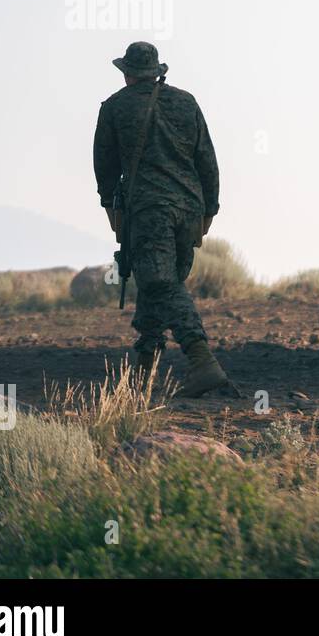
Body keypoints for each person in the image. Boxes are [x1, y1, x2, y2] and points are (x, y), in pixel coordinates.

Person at [93, 41, 232, 398]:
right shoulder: (187, 103)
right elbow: (208, 160)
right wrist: (208, 212)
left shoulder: (114, 107)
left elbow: (105, 170)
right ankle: (141, 375)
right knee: (160, 285)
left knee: (161, 285)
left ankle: (203, 362)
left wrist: (113, 211)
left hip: (149, 210)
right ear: (156, 72)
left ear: (126, 74)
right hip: (189, 209)